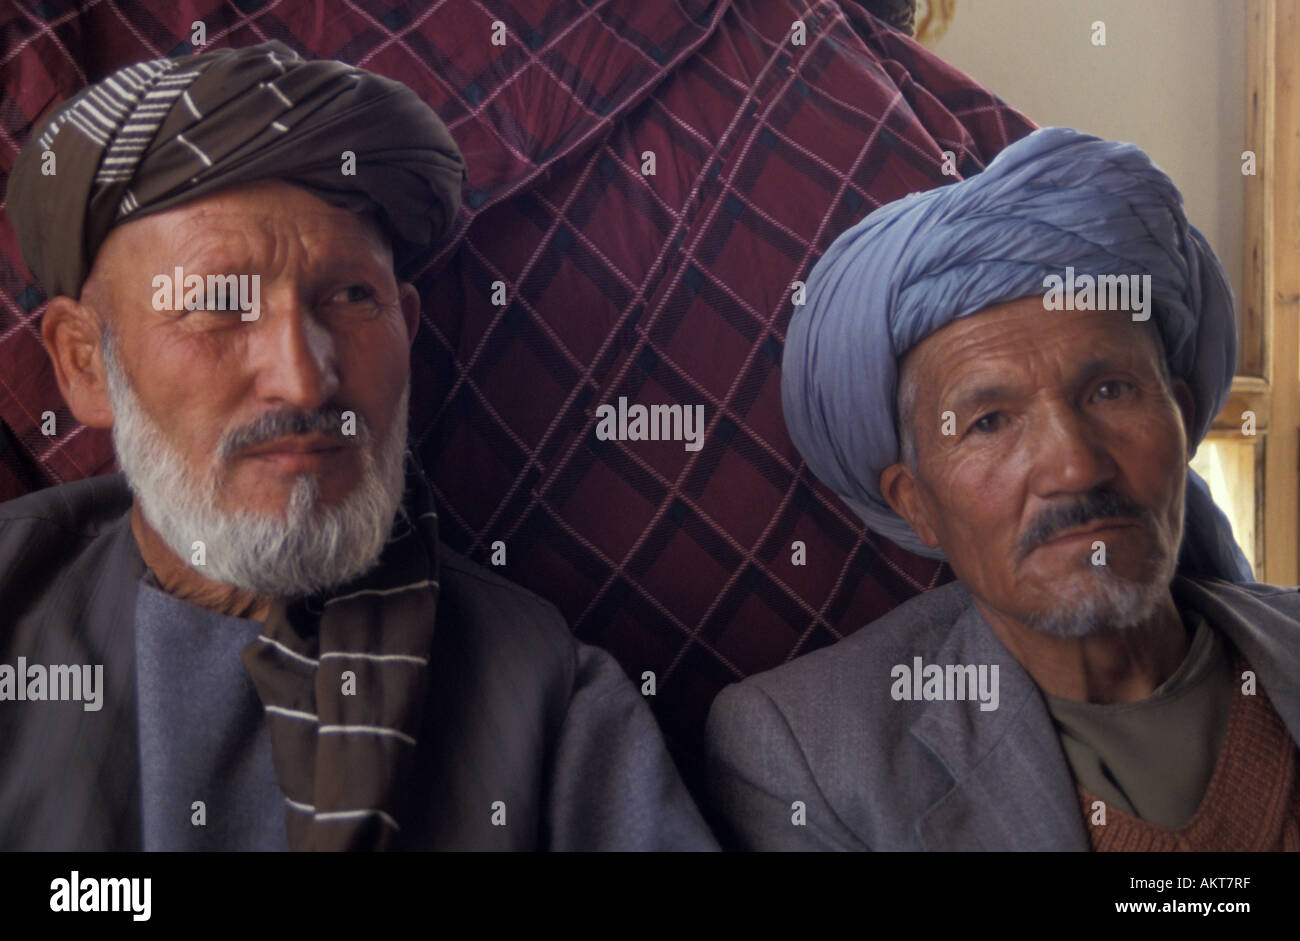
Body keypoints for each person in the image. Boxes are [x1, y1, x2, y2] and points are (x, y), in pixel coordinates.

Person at [0, 40, 717, 852]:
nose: (305, 381)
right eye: (220, 306)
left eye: (350, 295)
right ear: (86, 363)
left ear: (407, 326)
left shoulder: (545, 695)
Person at [705, 126, 1300, 851]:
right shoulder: (813, 759)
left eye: (1111, 389)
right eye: (988, 423)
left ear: (1177, 410)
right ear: (914, 501)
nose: (1075, 468)